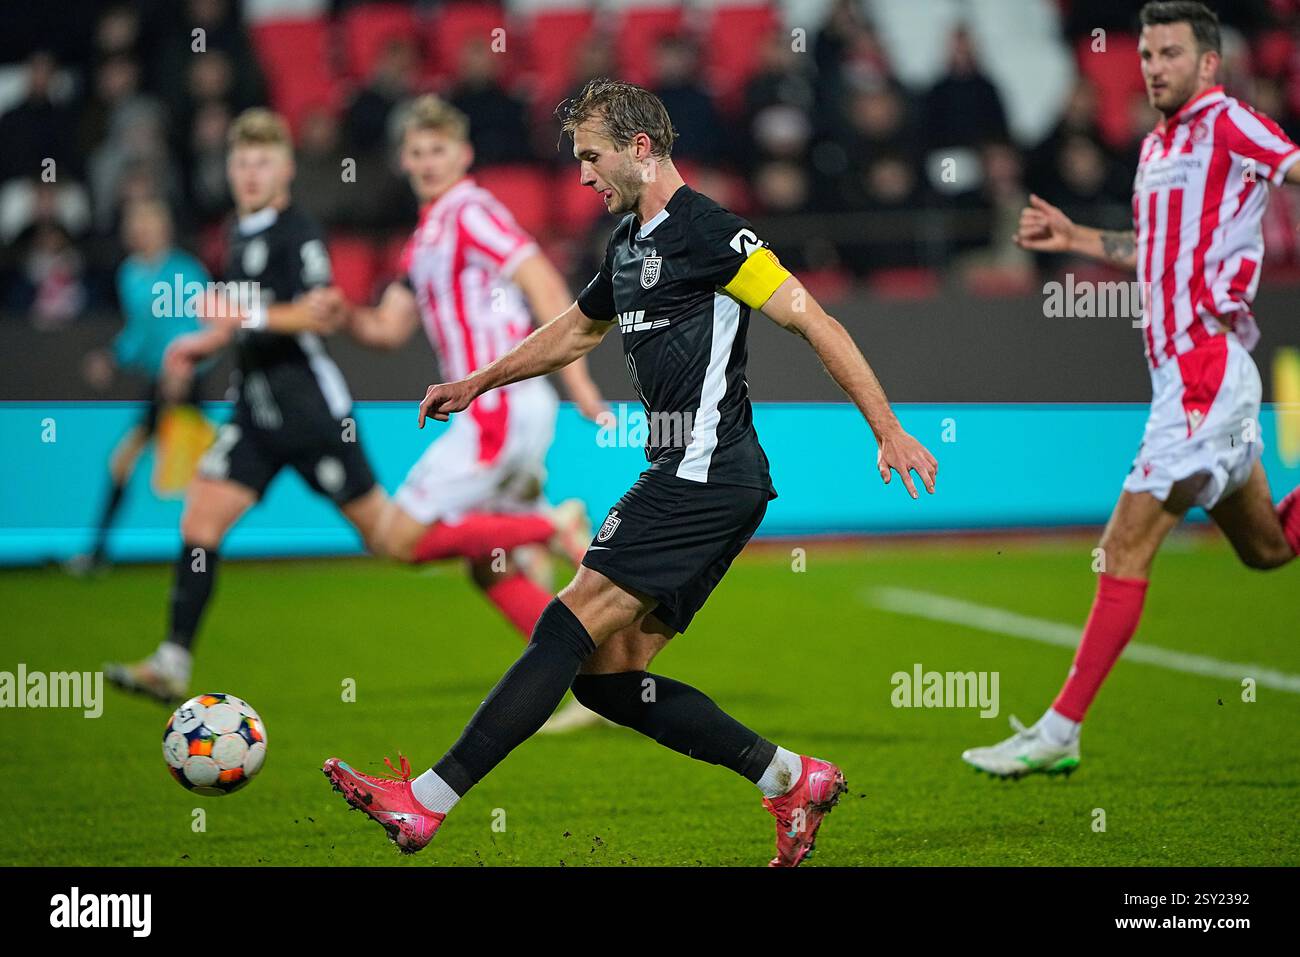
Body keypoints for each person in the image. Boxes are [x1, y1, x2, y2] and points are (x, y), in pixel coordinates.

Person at [323, 78, 938, 867]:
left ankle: (427, 802)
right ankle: (791, 778)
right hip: (694, 474)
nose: (582, 176)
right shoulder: (626, 247)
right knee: (610, 679)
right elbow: (573, 334)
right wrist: (479, 380)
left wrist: (886, 428)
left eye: (592, 156)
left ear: (641, 150)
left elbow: (812, 317)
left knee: (565, 621)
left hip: (707, 472)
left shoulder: (711, 232)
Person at [963, 1, 1300, 779]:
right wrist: (1078, 238)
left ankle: (1059, 729)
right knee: (1269, 549)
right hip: (1188, 380)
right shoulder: (1156, 147)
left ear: (1208, 64)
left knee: (1121, 546)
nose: (1153, 67)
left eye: (1171, 53)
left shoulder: (1227, 122)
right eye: (1147, 54)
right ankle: (1058, 731)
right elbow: (1157, 250)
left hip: (1206, 372)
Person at [345, 95, 608, 732]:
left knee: (397, 540)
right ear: (404, 160)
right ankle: (589, 683)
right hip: (502, 411)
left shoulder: (470, 210)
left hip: (497, 406)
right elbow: (386, 330)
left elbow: (542, 282)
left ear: (462, 156)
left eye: (440, 150)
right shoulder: (423, 241)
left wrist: (580, 382)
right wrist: (341, 314)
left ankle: (549, 526)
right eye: (418, 152)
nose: (429, 162)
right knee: (489, 568)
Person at [106, 109, 384, 703]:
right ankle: (173, 660)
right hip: (255, 415)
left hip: (311, 413)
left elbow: (319, 310)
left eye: (263, 162)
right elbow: (239, 320)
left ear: (285, 168)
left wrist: (242, 316)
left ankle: (528, 531)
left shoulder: (297, 231)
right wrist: (200, 343)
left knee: (390, 539)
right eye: (241, 162)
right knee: (198, 523)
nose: (251, 173)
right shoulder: (236, 233)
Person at [70, 198, 211, 575]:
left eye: (148, 220)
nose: (140, 229)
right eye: (135, 221)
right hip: (157, 383)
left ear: (163, 227)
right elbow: (139, 335)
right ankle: (98, 551)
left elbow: (205, 327)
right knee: (125, 462)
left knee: (197, 474)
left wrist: (184, 369)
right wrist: (113, 356)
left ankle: (200, 553)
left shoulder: (185, 272)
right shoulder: (130, 275)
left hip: (188, 382)